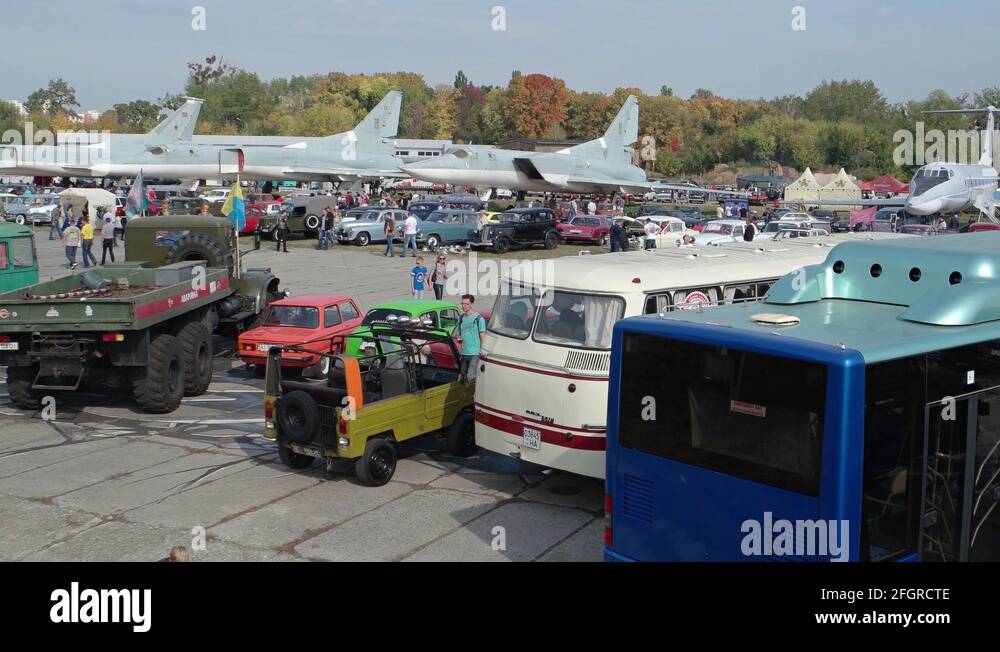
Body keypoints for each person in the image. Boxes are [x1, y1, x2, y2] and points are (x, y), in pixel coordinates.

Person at [456, 294, 486, 382]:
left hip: (475, 353)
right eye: (462, 303)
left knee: (471, 376)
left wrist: (482, 351)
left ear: (471, 304)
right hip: (464, 353)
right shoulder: (461, 318)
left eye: (466, 304)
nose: (463, 306)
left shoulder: (479, 319)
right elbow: (459, 334)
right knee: (462, 377)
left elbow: (482, 336)